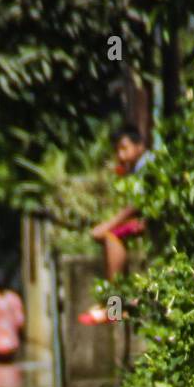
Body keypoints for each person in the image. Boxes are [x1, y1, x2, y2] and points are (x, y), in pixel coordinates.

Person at [80, 126, 153, 325]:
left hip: (155, 220)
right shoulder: (136, 169)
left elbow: (136, 204)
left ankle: (115, 307)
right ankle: (114, 303)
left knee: (112, 235)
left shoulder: (148, 165)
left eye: (124, 148)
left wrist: (107, 225)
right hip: (148, 219)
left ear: (140, 146)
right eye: (118, 151)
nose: (121, 155)